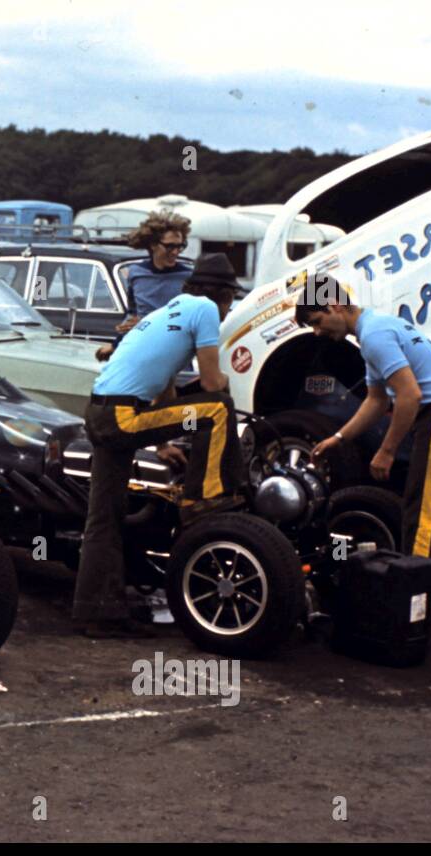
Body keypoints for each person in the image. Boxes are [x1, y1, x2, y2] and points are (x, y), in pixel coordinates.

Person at [73, 253, 247, 639]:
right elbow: (211, 380)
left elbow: (164, 385)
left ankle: (97, 613)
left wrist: (165, 440)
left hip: (100, 412)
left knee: (104, 518)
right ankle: (208, 498)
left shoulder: (171, 309)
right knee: (218, 409)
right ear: (222, 295)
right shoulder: (205, 310)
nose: (230, 306)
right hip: (122, 417)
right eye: (231, 298)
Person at [302, 276, 431, 567]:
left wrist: (387, 450)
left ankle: (419, 601)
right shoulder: (374, 329)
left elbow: (409, 394)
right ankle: (415, 587)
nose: (317, 331)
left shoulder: (374, 335)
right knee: (418, 506)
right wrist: (338, 438)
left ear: (334, 305)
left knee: (424, 513)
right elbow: (377, 400)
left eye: (317, 320)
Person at [119, 210, 193, 332]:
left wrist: (146, 323)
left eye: (180, 246)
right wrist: (117, 342)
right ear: (153, 245)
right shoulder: (136, 273)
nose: (175, 252)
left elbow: (191, 319)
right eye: (170, 246)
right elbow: (132, 313)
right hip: (141, 342)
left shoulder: (188, 277)